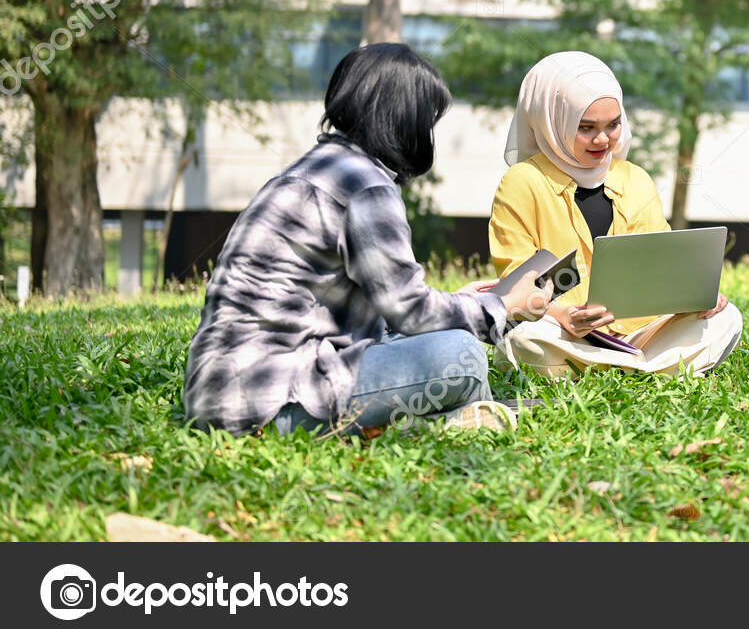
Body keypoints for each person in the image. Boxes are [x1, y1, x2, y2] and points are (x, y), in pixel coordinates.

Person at [184, 43, 552, 438]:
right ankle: (452, 422)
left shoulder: (314, 169)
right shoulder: (364, 184)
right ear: (403, 116)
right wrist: (502, 305)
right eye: (427, 119)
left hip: (215, 394)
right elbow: (411, 312)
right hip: (271, 402)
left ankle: (460, 417)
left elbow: (381, 316)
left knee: (450, 341)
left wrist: (461, 302)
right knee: (460, 355)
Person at [488, 51, 741, 377]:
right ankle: (646, 370)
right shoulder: (522, 182)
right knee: (523, 337)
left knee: (726, 317)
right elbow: (515, 286)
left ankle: (613, 367)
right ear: (550, 121)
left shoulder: (634, 178)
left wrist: (695, 296)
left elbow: (665, 264)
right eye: (586, 127)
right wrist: (561, 314)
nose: (603, 139)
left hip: (641, 333)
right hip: (561, 333)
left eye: (613, 124)